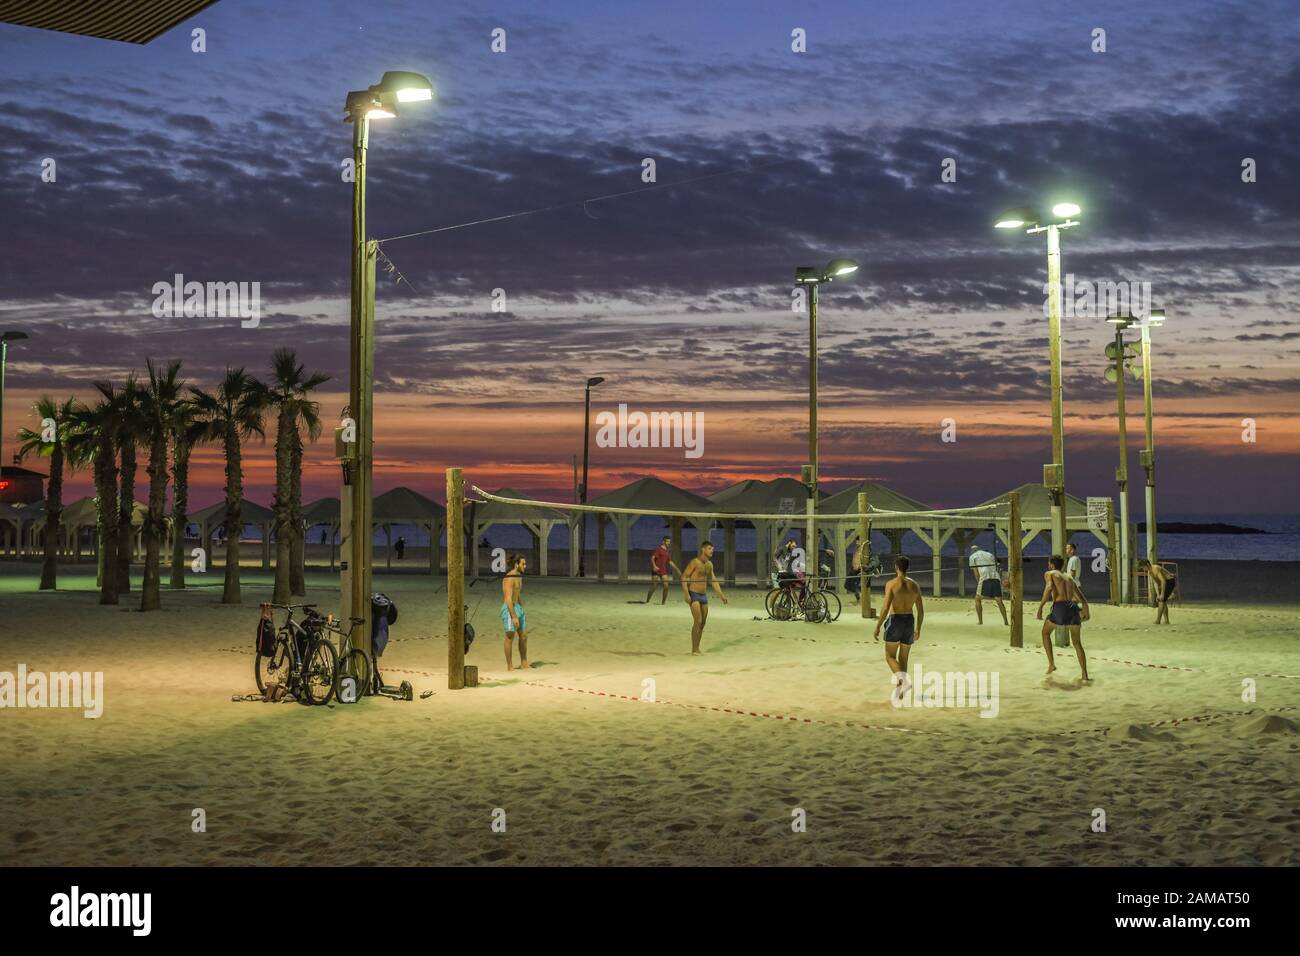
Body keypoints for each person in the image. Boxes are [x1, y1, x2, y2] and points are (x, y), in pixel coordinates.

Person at [873, 556, 924, 701]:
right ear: (908, 568)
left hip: (895, 620)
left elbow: (885, 607)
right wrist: (918, 629)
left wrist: (877, 626)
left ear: (896, 567)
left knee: (889, 657)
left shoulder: (891, 584)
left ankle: (904, 682)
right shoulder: (915, 585)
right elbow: (920, 611)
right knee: (904, 658)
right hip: (909, 620)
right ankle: (900, 692)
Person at [1036, 554, 1090, 681]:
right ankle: (1084, 673)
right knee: (1077, 643)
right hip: (1073, 607)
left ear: (1051, 564)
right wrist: (1086, 613)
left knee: (1045, 633)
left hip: (1060, 607)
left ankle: (1051, 664)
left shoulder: (1050, 573)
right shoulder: (1069, 577)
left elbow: (1049, 588)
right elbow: (1081, 599)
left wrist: (1040, 607)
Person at [681, 541, 727, 655]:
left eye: (713, 548)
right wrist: (686, 594)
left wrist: (721, 595)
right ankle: (693, 649)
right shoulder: (694, 562)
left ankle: (697, 648)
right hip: (694, 594)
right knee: (698, 620)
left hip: (703, 595)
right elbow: (684, 577)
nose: (712, 550)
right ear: (703, 549)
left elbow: (714, 581)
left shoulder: (709, 565)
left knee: (703, 623)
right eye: (710, 548)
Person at [500, 553, 530, 670]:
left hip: (517, 607)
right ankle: (509, 666)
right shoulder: (509, 578)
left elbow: (517, 594)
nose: (525, 566)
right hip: (509, 609)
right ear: (517, 564)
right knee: (510, 636)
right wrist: (513, 616)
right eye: (523, 564)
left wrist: (521, 609)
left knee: (524, 636)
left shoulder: (519, 577)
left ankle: (524, 663)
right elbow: (508, 598)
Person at [969, 542, 1008, 625]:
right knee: (999, 600)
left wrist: (979, 583)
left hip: (984, 576)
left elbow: (976, 573)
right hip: (995, 576)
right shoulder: (990, 554)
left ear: (972, 551)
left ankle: (980, 621)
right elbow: (996, 568)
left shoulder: (972, 557)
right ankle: (1006, 621)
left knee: (977, 599)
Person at [645, 535, 681, 605]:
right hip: (656, 570)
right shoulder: (658, 549)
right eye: (667, 541)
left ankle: (663, 603)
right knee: (654, 586)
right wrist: (654, 566)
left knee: (666, 587)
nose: (668, 543)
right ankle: (647, 600)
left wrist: (677, 569)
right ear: (663, 541)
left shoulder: (667, 551)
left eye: (669, 542)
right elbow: (652, 558)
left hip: (663, 571)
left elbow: (669, 561)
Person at [1141, 559, 1176, 624]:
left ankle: (1158, 620)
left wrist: (1162, 594)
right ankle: (1166, 621)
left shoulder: (1155, 568)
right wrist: (1158, 594)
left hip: (1170, 581)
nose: (1143, 569)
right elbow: (1156, 583)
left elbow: (1163, 580)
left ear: (1147, 565)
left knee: (1161, 601)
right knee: (1163, 601)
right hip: (1165, 582)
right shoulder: (1150, 572)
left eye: (1143, 567)